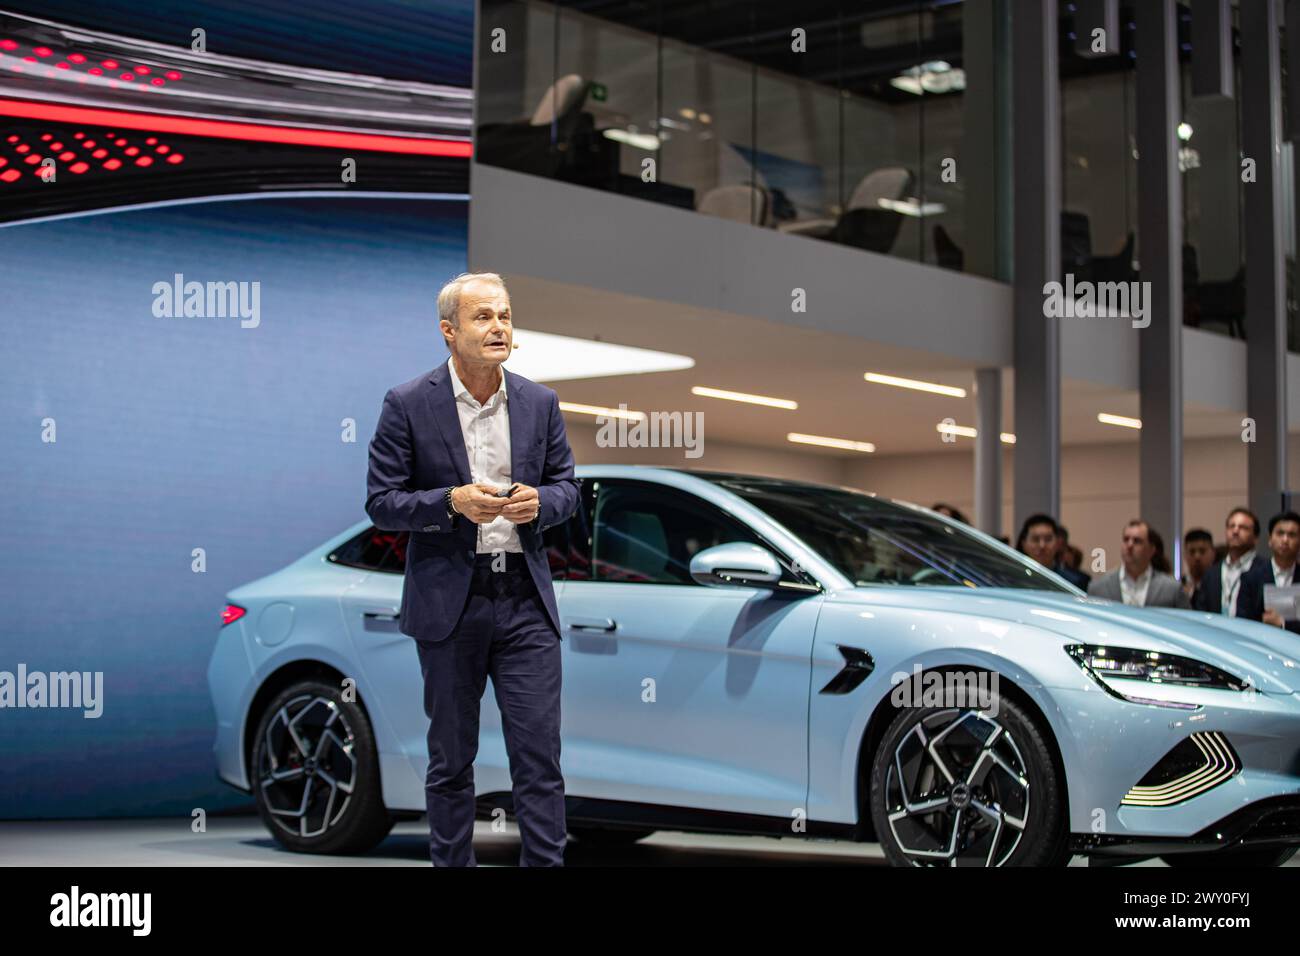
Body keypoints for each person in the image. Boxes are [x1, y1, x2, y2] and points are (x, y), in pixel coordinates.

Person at [365, 271, 580, 866]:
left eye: (505, 315)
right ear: (448, 331)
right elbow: (382, 501)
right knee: (452, 758)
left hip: (524, 602)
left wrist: (544, 503)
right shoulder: (407, 403)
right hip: (450, 603)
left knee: (538, 759)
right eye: (483, 317)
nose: (499, 327)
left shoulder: (540, 402)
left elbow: (569, 489)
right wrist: (448, 503)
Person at [1087, 519, 1189, 608]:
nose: (1129, 545)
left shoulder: (1172, 590)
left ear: (1151, 550)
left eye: (1137, 541)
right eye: (1126, 540)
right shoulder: (1098, 588)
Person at [1235, 511, 1300, 634]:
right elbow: (1242, 622)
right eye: (1280, 533)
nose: (1285, 540)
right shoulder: (1251, 578)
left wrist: (1283, 624)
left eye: (1292, 535)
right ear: (1270, 539)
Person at [1192, 507, 1260, 616]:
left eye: (1243, 527)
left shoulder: (1264, 570)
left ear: (1256, 537)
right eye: (1231, 526)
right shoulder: (1211, 573)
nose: (1235, 531)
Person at [1016, 513, 1089, 589]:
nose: (1042, 545)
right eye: (1035, 539)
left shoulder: (1073, 581)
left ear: (1057, 543)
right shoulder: (1011, 579)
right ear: (1024, 544)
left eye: (1048, 539)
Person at [1181, 528, 1216, 599]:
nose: (1197, 557)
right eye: (1192, 552)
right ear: (1184, 555)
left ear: (1213, 553)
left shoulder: (1220, 586)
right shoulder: (1178, 586)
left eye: (1202, 551)